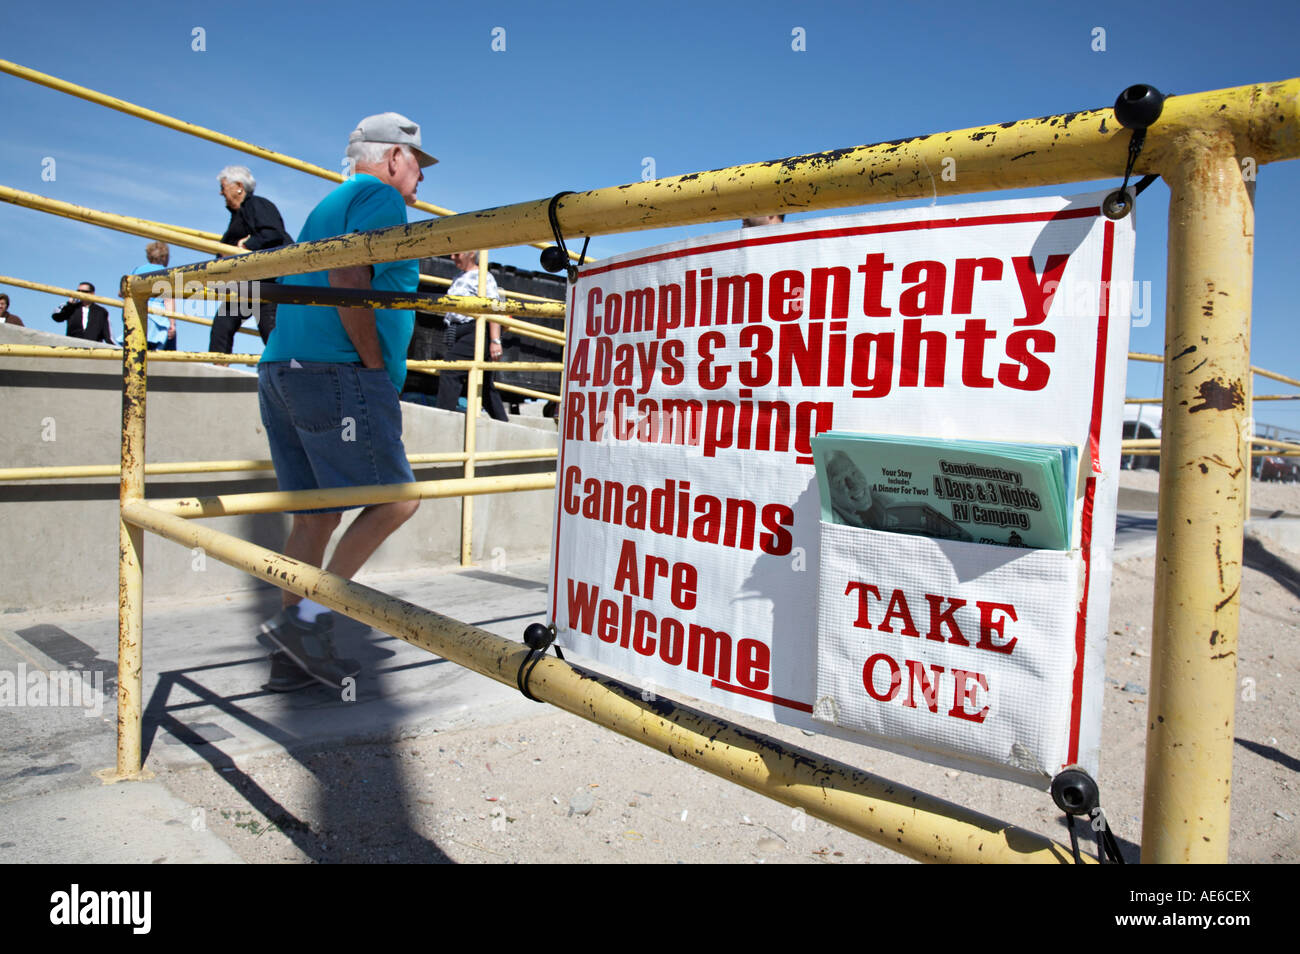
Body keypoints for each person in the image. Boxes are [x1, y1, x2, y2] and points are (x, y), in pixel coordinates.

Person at [256, 112, 436, 690]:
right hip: (338, 370)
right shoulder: (381, 197)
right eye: (417, 164)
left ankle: (293, 651)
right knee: (398, 500)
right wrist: (375, 365)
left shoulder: (326, 206)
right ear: (390, 159)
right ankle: (307, 618)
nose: (420, 179)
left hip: (283, 366)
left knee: (316, 514)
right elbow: (348, 277)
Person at [210, 165, 291, 352]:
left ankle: (290, 372)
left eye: (223, 187)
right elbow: (222, 252)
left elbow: (273, 233)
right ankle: (216, 373)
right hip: (247, 286)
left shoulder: (258, 205)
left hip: (270, 283)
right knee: (221, 326)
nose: (221, 193)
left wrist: (246, 246)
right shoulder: (236, 219)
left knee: (269, 330)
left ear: (239, 186)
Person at [435, 251, 509, 421]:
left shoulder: (484, 276)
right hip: (457, 331)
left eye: (457, 254)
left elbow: (494, 308)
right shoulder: (458, 277)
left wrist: (495, 340)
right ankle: (502, 422)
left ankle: (442, 418)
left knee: (450, 369)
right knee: (484, 384)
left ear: (471, 253)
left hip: (475, 330)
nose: (452, 257)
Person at [130, 241, 177, 351]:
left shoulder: (137, 270)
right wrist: (172, 324)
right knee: (165, 357)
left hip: (136, 312)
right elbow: (168, 300)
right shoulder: (167, 273)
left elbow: (123, 292)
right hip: (157, 317)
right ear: (164, 257)